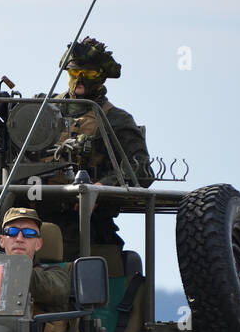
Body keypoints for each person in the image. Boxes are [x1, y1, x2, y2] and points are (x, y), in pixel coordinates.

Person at [27, 37, 154, 254]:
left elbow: (141, 171)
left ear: (102, 77)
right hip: (32, 213)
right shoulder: (41, 110)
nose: (80, 80)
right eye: (75, 74)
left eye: (90, 74)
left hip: (83, 222)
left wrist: (101, 187)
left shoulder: (115, 119)